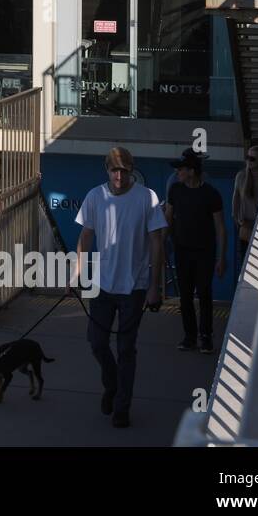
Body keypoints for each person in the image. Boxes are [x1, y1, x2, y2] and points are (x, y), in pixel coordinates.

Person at [75, 146, 167, 428]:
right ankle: (112, 385)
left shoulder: (146, 198)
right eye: (114, 170)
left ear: (131, 171)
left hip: (134, 286)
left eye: (124, 171)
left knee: (126, 348)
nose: (119, 176)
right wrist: (75, 274)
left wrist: (155, 286)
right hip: (102, 285)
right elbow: (86, 236)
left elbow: (156, 242)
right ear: (107, 170)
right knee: (97, 343)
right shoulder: (95, 196)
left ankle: (122, 407)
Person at [163, 148, 225, 354]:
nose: (177, 173)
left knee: (205, 294)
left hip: (205, 252)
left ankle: (205, 337)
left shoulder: (211, 194)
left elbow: (220, 228)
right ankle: (189, 337)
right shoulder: (175, 190)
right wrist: (161, 245)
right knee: (185, 296)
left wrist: (221, 257)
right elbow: (168, 219)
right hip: (182, 250)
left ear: (191, 171)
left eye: (181, 169)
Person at [231, 144, 258, 277]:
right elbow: (235, 200)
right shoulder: (241, 176)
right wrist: (237, 220)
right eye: (247, 157)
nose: (248, 161)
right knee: (245, 264)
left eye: (252, 159)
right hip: (245, 224)